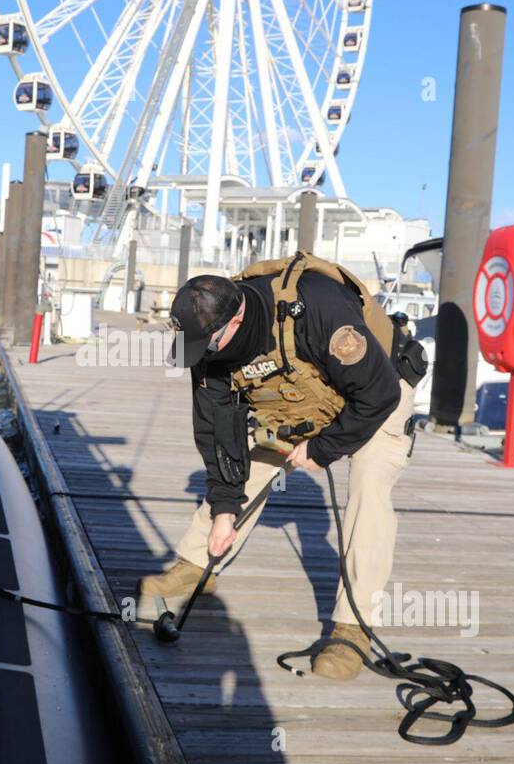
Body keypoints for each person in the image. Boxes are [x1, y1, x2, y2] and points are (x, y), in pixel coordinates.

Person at [139, 252, 427, 679]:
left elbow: (378, 395)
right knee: (252, 464)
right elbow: (218, 436)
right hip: (302, 396)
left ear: (235, 321)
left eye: (206, 345)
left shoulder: (318, 308)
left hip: (378, 387)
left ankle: (353, 627)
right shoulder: (208, 345)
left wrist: (322, 449)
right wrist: (224, 512)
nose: (202, 355)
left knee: (369, 488)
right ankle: (198, 563)